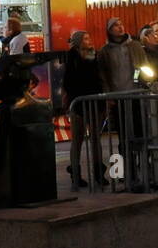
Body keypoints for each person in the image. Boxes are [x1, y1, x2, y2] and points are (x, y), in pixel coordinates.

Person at [98, 19, 146, 186]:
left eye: (121, 24)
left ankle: (140, 172)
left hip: (134, 94)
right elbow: (104, 75)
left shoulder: (134, 46)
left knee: (138, 134)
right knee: (122, 137)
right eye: (115, 25)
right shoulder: (105, 52)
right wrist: (109, 95)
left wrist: (135, 81)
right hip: (117, 97)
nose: (120, 27)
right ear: (110, 30)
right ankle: (121, 172)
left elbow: (141, 66)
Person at [62, 31, 103, 191]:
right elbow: (68, 81)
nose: (89, 40)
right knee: (77, 139)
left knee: (95, 138)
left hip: (94, 100)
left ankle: (99, 171)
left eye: (89, 37)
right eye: (86, 39)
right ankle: (76, 172)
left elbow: (98, 76)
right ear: (79, 42)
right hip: (78, 101)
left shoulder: (95, 55)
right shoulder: (72, 57)